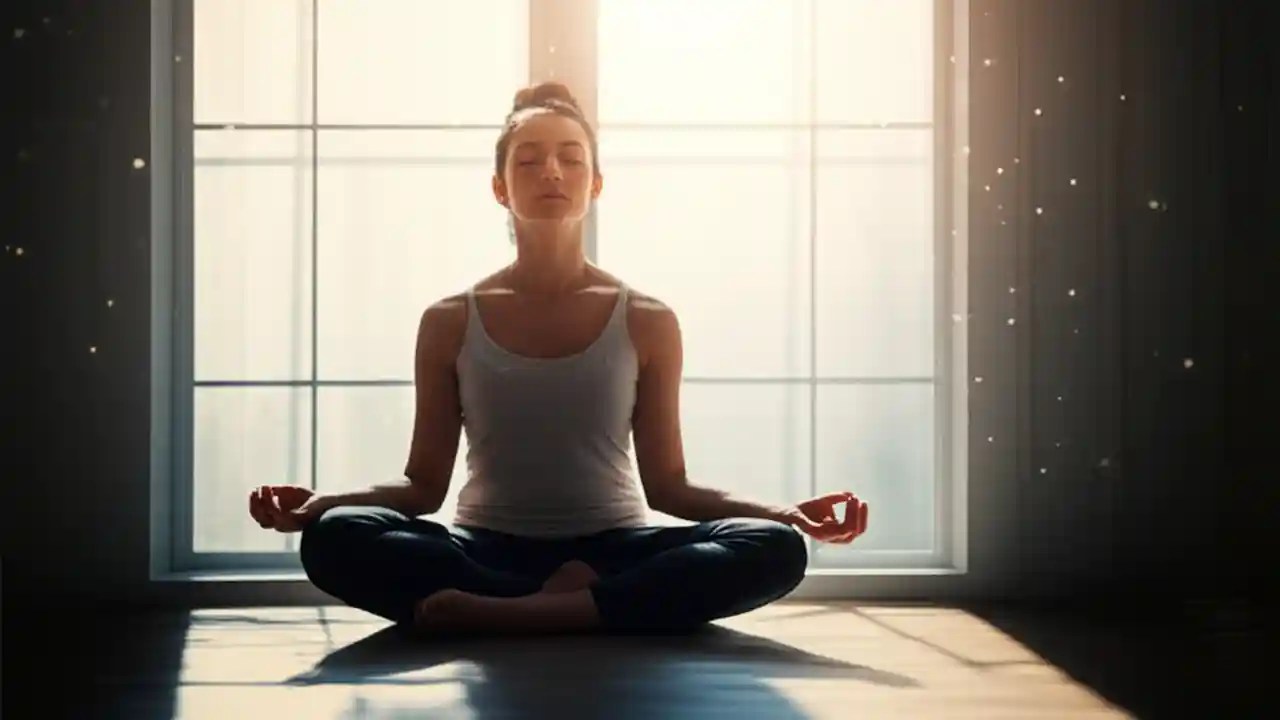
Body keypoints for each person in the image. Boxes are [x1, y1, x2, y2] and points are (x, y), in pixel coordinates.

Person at [247, 81, 869, 638]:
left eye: (571, 158)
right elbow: (422, 486)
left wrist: (784, 513)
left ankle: (508, 612)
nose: (551, 171)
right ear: (500, 187)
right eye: (529, 159)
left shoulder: (648, 319)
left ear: (595, 183)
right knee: (336, 538)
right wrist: (320, 505)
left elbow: (669, 486)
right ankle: (575, 607)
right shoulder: (448, 321)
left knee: (772, 547)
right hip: (481, 546)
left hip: (618, 544)